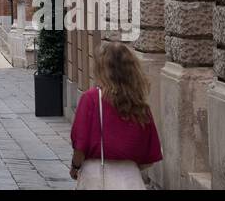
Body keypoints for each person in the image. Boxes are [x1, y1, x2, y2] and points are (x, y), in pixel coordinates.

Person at [68, 42, 162, 189]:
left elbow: (80, 145)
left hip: (96, 176)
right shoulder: (140, 106)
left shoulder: (91, 99)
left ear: (101, 69)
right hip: (131, 179)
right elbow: (149, 157)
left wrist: (75, 166)